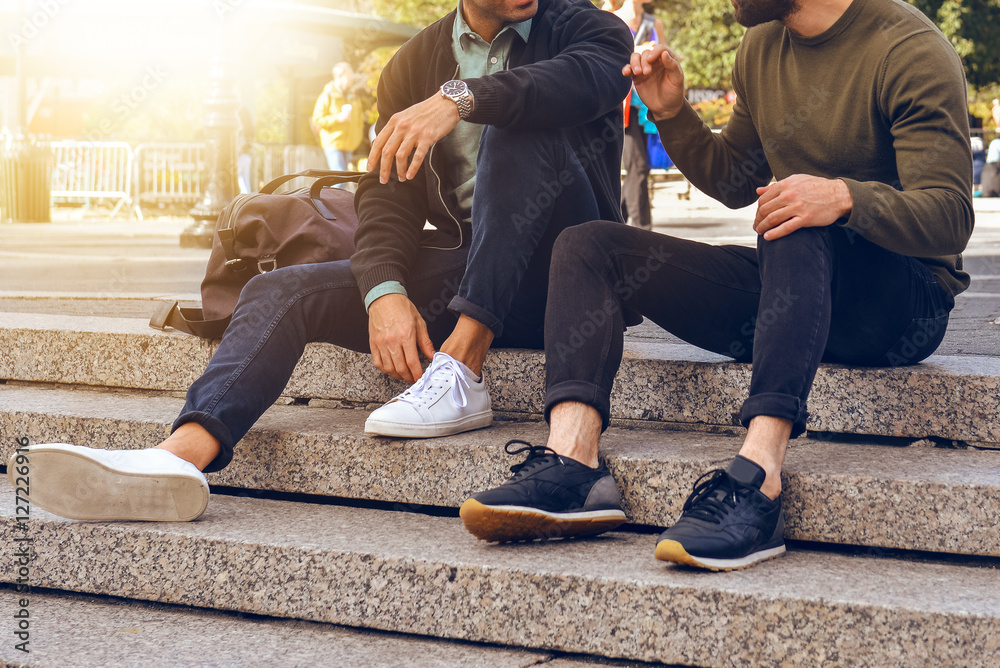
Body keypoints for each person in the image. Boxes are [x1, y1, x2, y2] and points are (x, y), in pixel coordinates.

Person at [10, 0, 633, 523]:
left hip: (570, 277)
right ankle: (177, 458)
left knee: (514, 120)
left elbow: (583, 81)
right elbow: (388, 193)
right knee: (282, 289)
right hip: (470, 267)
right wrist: (383, 291)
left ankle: (463, 365)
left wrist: (462, 97)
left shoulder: (589, 29)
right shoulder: (413, 62)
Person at [460, 0, 973, 571]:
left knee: (793, 213)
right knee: (587, 246)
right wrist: (674, 114)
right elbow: (737, 181)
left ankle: (759, 479)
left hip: (903, 302)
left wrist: (843, 196)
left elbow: (950, 214)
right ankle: (574, 465)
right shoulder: (760, 45)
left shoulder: (908, 48)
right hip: (797, 290)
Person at [612, 0, 665, 230]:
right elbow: (604, 60)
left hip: (647, 107)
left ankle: (615, 220)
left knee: (641, 167)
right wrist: (636, 52)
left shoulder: (656, 23)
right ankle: (644, 229)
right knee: (638, 166)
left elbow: (665, 59)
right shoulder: (611, 17)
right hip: (622, 108)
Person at [312, 62, 365, 171]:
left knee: (342, 178)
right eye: (349, 75)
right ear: (339, 76)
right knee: (339, 176)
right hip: (333, 143)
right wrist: (338, 118)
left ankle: (329, 189)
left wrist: (358, 135)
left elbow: (360, 119)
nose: (351, 78)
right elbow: (317, 120)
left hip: (349, 144)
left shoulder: (353, 96)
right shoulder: (327, 95)